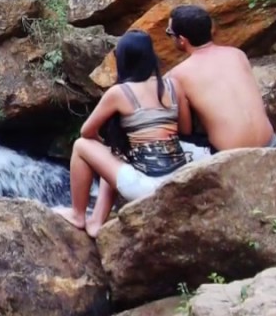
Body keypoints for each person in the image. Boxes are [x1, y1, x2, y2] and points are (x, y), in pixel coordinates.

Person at [53, 29, 194, 238]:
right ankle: (96, 222)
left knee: (81, 146)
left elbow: (87, 131)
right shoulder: (173, 86)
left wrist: (104, 144)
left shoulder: (119, 93)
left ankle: (77, 215)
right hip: (179, 175)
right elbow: (186, 130)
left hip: (148, 187)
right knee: (115, 156)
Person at [164, 4, 276, 159]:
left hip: (233, 159)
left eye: (169, 33)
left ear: (182, 40)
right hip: (271, 144)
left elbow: (185, 130)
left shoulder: (177, 75)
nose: (169, 36)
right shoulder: (237, 54)